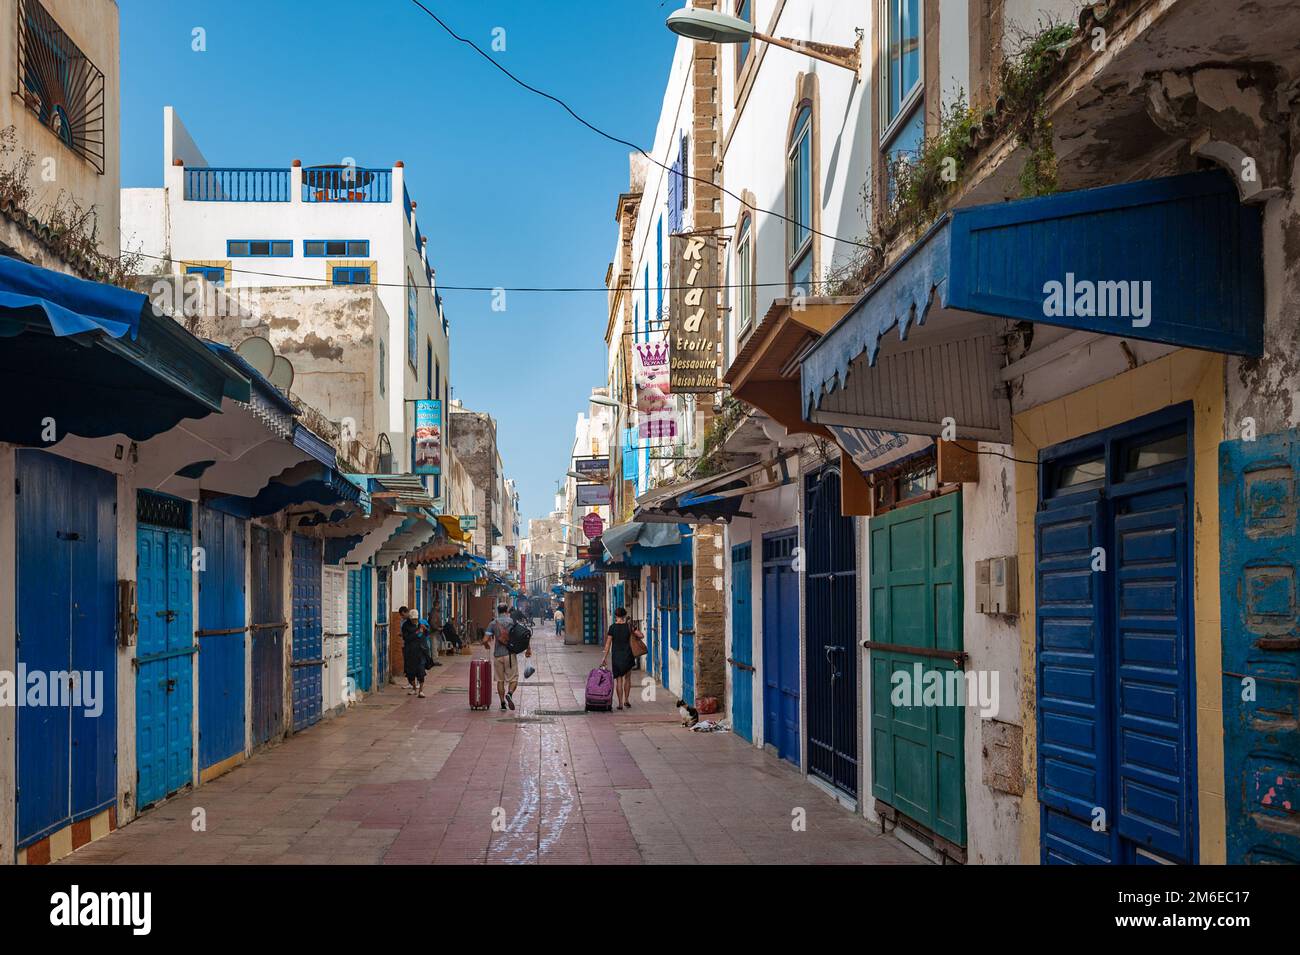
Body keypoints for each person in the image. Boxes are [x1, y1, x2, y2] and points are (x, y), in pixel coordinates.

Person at [601, 607, 641, 711]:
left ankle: (619, 703)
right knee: (627, 679)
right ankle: (626, 700)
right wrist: (634, 631)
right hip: (628, 655)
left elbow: (608, 644)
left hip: (616, 656)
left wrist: (604, 658)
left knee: (619, 680)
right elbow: (641, 635)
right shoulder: (629, 626)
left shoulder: (612, 627)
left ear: (616, 616)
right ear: (624, 616)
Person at [484, 603, 520, 711]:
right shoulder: (512, 622)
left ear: (497, 611)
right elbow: (520, 635)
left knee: (500, 680)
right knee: (514, 679)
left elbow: (485, 639)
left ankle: (503, 703)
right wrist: (528, 649)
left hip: (498, 655)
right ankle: (509, 694)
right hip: (510, 654)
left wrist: (487, 646)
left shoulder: (493, 623)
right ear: (507, 611)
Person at [400, 607, 428, 698]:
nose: (415, 621)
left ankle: (421, 691)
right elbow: (406, 638)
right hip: (410, 652)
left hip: (420, 652)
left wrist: (425, 630)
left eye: (416, 619)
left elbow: (426, 634)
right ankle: (414, 688)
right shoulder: (405, 626)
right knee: (410, 672)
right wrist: (416, 632)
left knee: (421, 671)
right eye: (413, 620)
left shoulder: (420, 624)